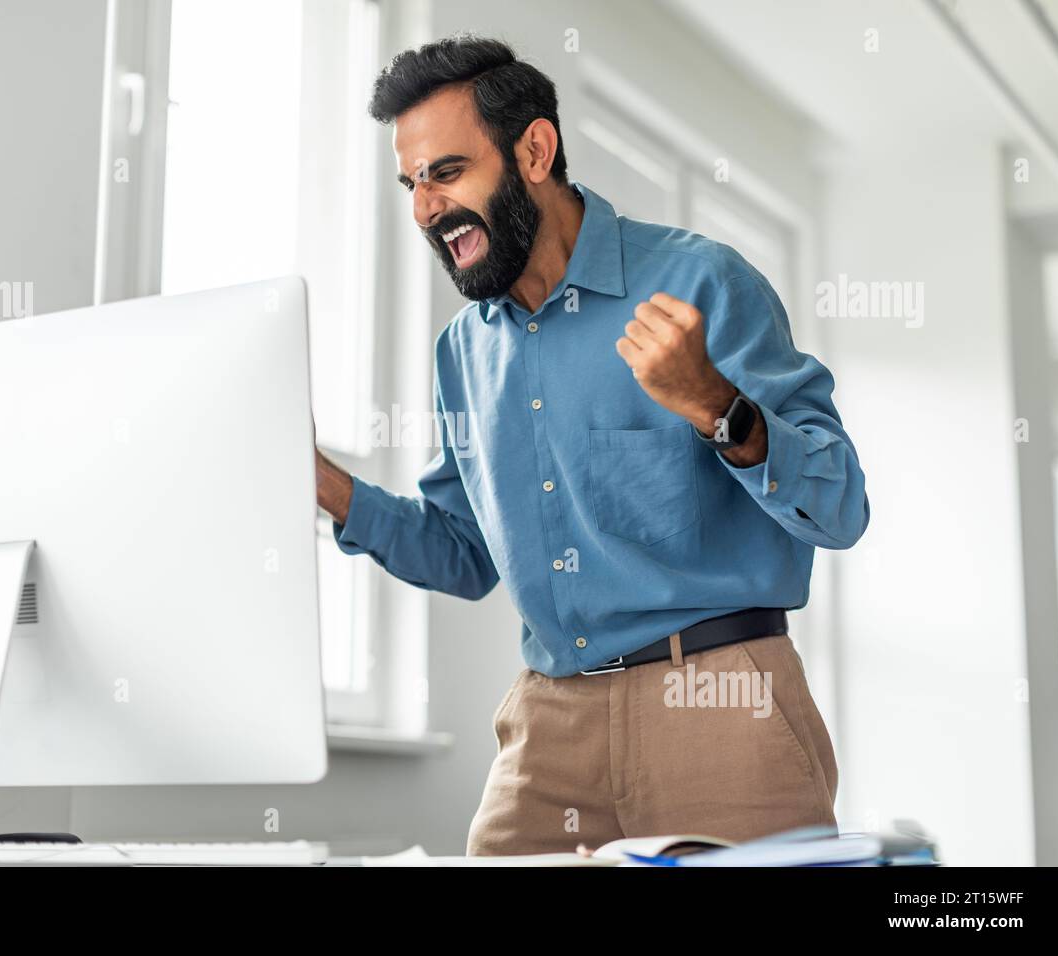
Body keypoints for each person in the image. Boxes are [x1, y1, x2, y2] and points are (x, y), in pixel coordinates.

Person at [315, 35, 869, 855]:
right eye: (411, 184)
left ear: (534, 150)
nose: (424, 209)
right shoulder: (462, 353)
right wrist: (324, 485)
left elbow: (840, 506)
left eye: (445, 173)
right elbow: (467, 555)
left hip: (718, 700)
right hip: (547, 722)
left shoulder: (702, 283)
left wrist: (718, 405)